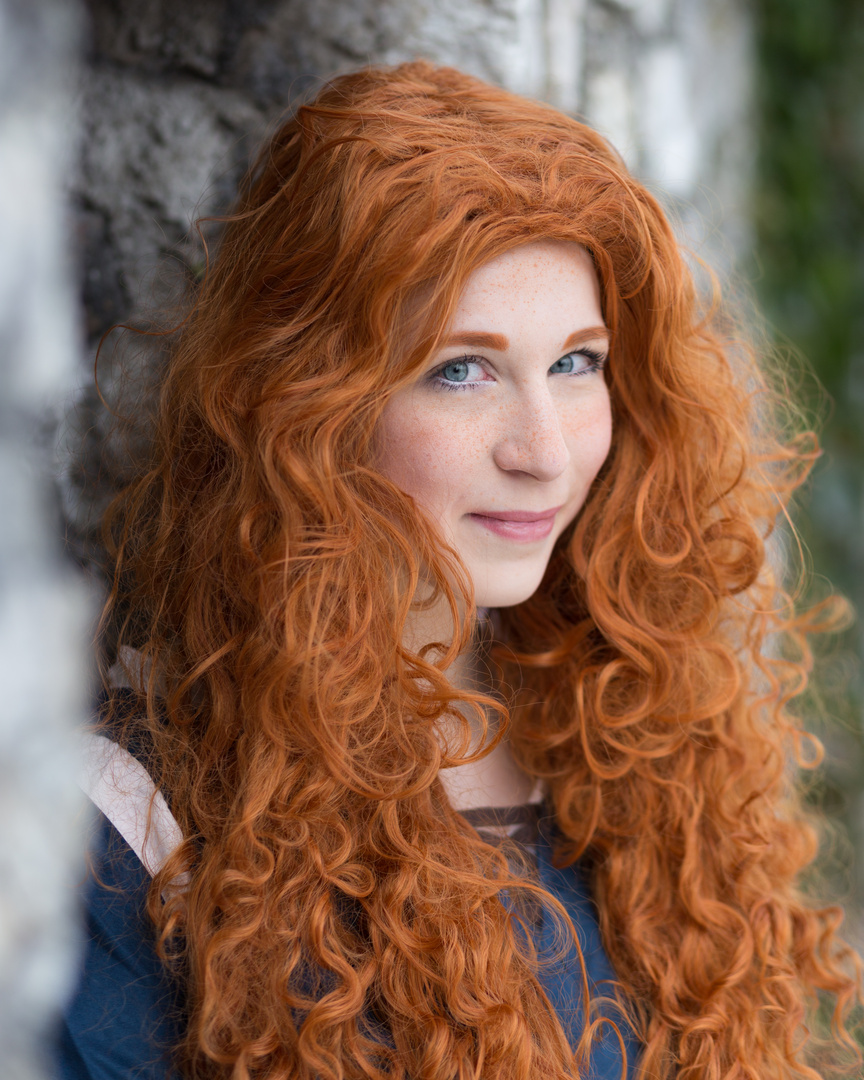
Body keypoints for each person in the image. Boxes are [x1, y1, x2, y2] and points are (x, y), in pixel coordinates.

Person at [55, 60, 862, 1080]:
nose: (547, 451)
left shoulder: (631, 733)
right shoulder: (129, 828)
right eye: (462, 369)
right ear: (310, 406)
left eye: (577, 363)